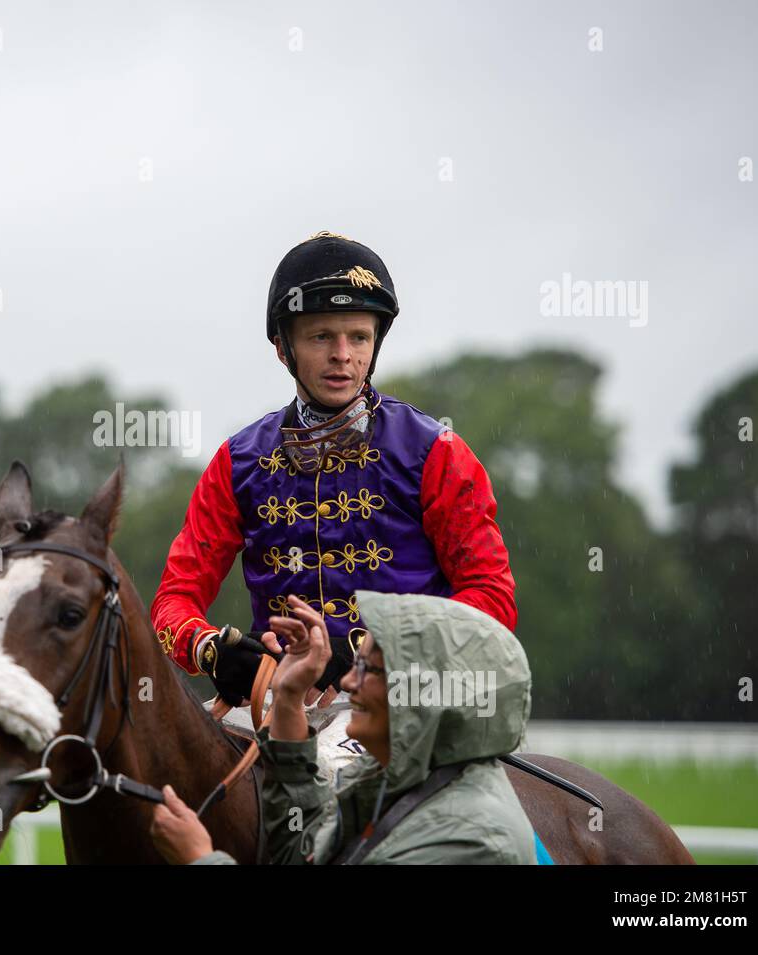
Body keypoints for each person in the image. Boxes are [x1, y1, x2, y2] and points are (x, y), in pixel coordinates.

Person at [150, 231, 517, 742]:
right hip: (275, 699)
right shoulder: (236, 461)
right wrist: (210, 648)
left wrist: (380, 650)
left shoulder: (439, 452)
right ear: (284, 348)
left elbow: (493, 598)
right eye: (322, 336)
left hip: (408, 702)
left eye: (358, 337)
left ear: (375, 343)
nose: (342, 355)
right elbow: (174, 601)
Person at [149, 590, 538, 865]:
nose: (348, 683)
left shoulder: (469, 841)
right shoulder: (396, 778)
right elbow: (303, 855)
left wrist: (201, 859)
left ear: (424, 692)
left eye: (366, 669)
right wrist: (287, 699)